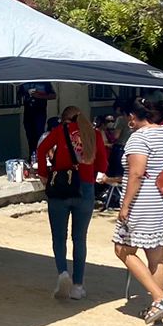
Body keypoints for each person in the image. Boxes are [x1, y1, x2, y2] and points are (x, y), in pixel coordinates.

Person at [112, 100, 163, 326]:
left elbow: (136, 174)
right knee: (156, 256)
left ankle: (160, 296)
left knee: (122, 249)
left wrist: (125, 206)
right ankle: (158, 307)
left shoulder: (139, 138)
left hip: (144, 202)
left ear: (133, 116)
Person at [36, 106, 107, 299]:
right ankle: (78, 286)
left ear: (64, 120)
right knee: (79, 238)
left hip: (61, 186)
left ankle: (62, 273)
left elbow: (41, 149)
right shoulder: (95, 134)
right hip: (85, 188)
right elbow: (102, 164)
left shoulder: (60, 131)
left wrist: (43, 173)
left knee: (59, 237)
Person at [19, 81, 57, 158]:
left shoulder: (44, 82)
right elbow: (19, 94)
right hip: (28, 113)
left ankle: (40, 157)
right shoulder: (24, 81)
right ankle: (32, 157)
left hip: (40, 113)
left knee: (39, 135)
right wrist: (25, 94)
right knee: (30, 137)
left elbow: (53, 96)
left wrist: (38, 95)